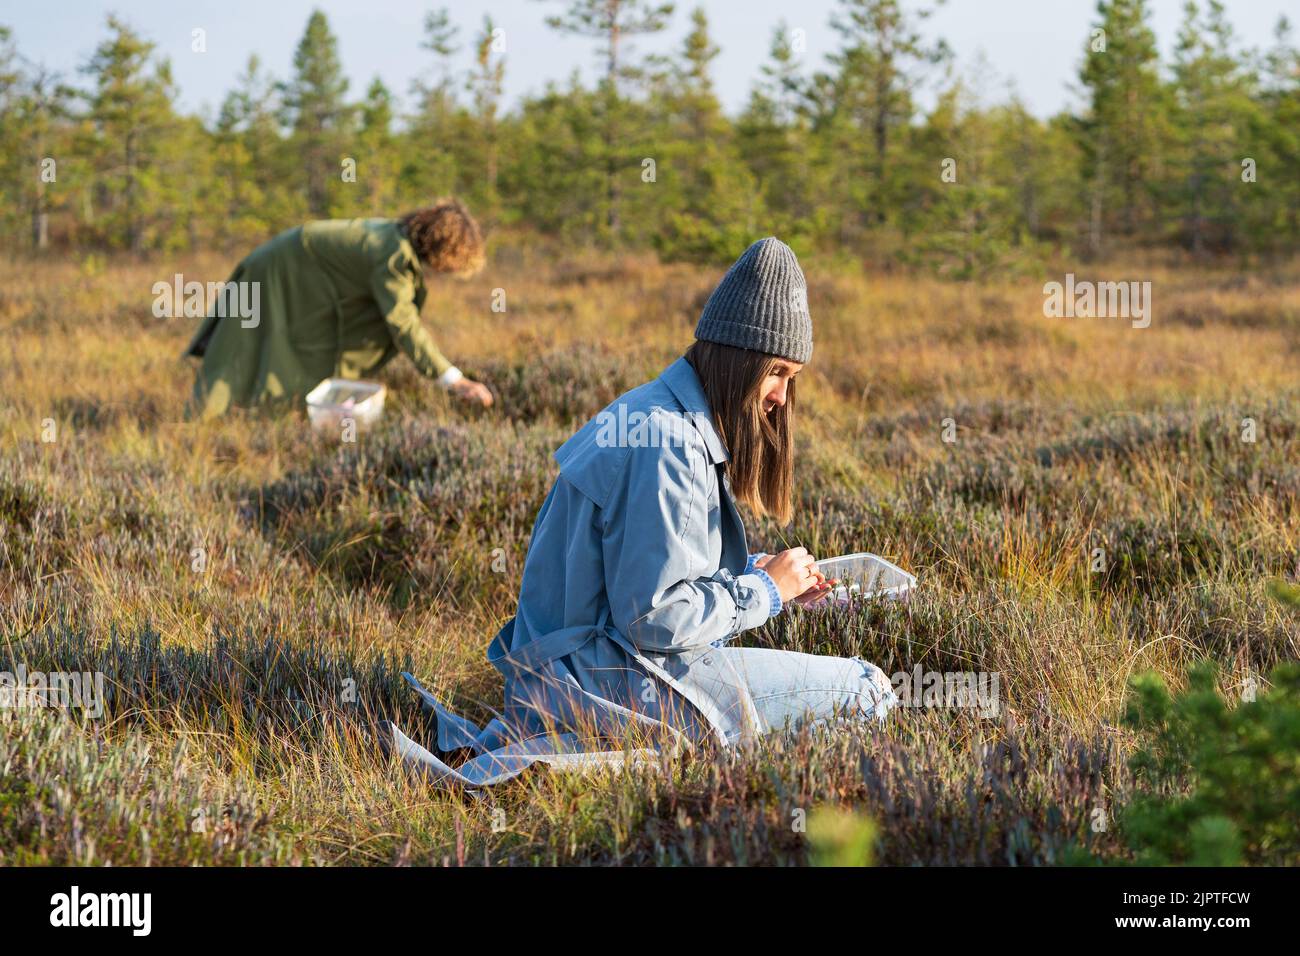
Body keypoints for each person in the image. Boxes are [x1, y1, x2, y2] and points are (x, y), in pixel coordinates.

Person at [392, 236, 898, 788]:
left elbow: (637, 574)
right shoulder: (671, 442)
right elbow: (655, 618)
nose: (780, 395)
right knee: (866, 688)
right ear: (738, 359)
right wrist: (765, 593)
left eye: (792, 378)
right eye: (776, 371)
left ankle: (568, 746)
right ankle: (648, 768)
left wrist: (760, 574)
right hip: (601, 675)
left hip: (566, 668)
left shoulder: (653, 410)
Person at [183, 198, 494, 419]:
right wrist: (453, 379)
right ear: (445, 249)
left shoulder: (397, 242)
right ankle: (202, 421)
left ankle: (268, 412)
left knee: (278, 346)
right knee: (242, 344)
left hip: (296, 272)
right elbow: (403, 325)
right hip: (276, 271)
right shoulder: (393, 256)